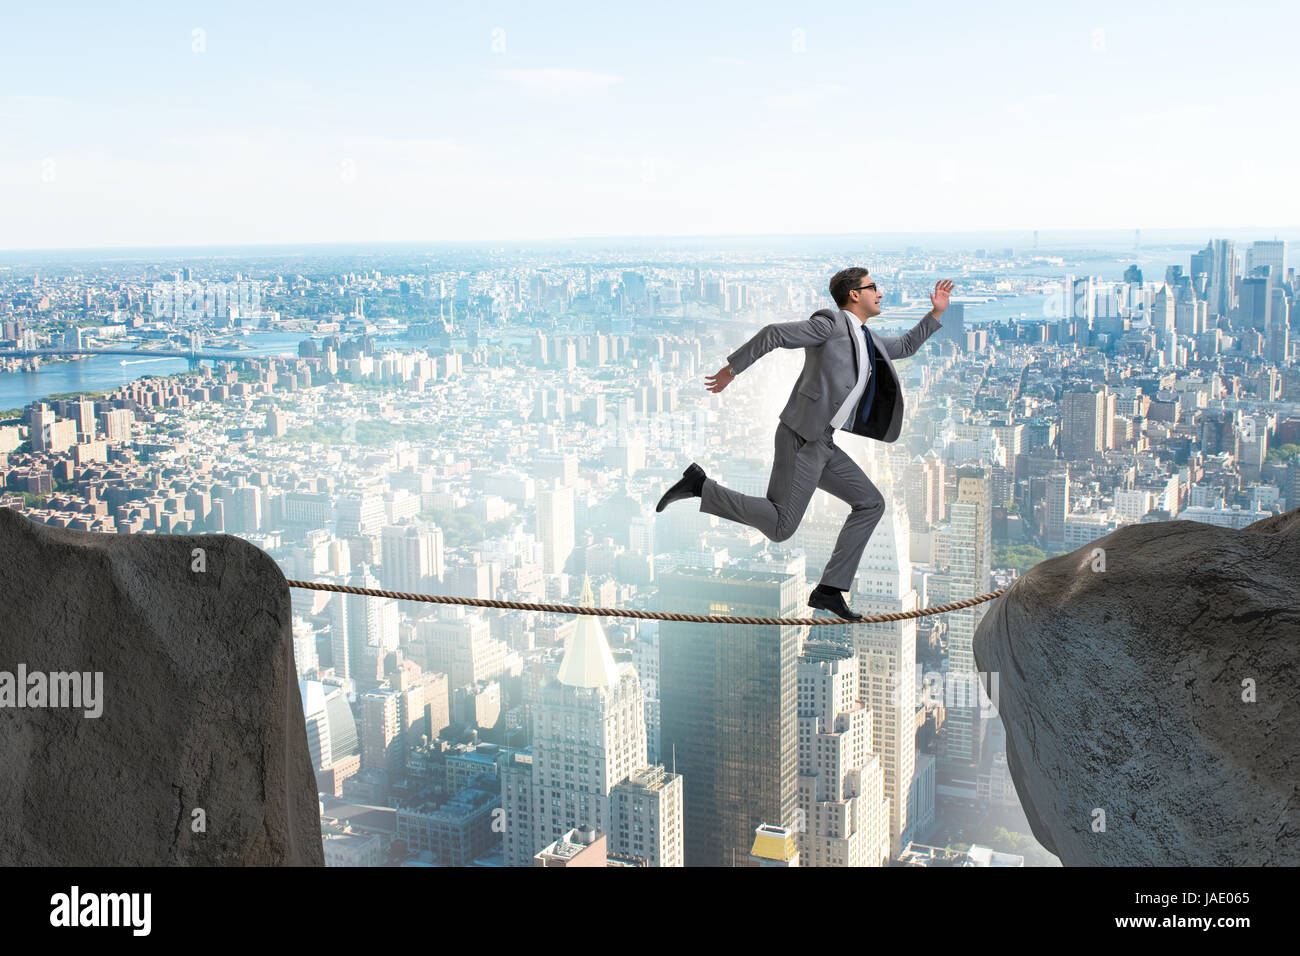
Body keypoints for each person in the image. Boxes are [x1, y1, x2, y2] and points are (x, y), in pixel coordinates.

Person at [656, 269, 953, 619]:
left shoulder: (866, 338)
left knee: (871, 503)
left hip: (823, 442)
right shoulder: (829, 324)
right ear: (854, 295)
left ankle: (829, 589)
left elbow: (903, 346)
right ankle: (700, 486)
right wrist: (731, 370)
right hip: (800, 436)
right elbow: (774, 334)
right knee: (782, 527)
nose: (880, 294)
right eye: (873, 287)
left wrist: (935, 313)